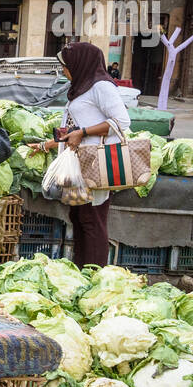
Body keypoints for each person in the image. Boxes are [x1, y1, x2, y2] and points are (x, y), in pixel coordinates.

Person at [37, 42, 132, 267]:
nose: (63, 70)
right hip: (78, 164)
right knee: (78, 218)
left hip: (94, 164)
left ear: (81, 63)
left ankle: (94, 273)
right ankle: (82, 269)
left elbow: (122, 122)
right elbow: (76, 124)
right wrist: (49, 144)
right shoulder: (82, 86)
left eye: (66, 66)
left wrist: (84, 132)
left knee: (92, 220)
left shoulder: (101, 87)